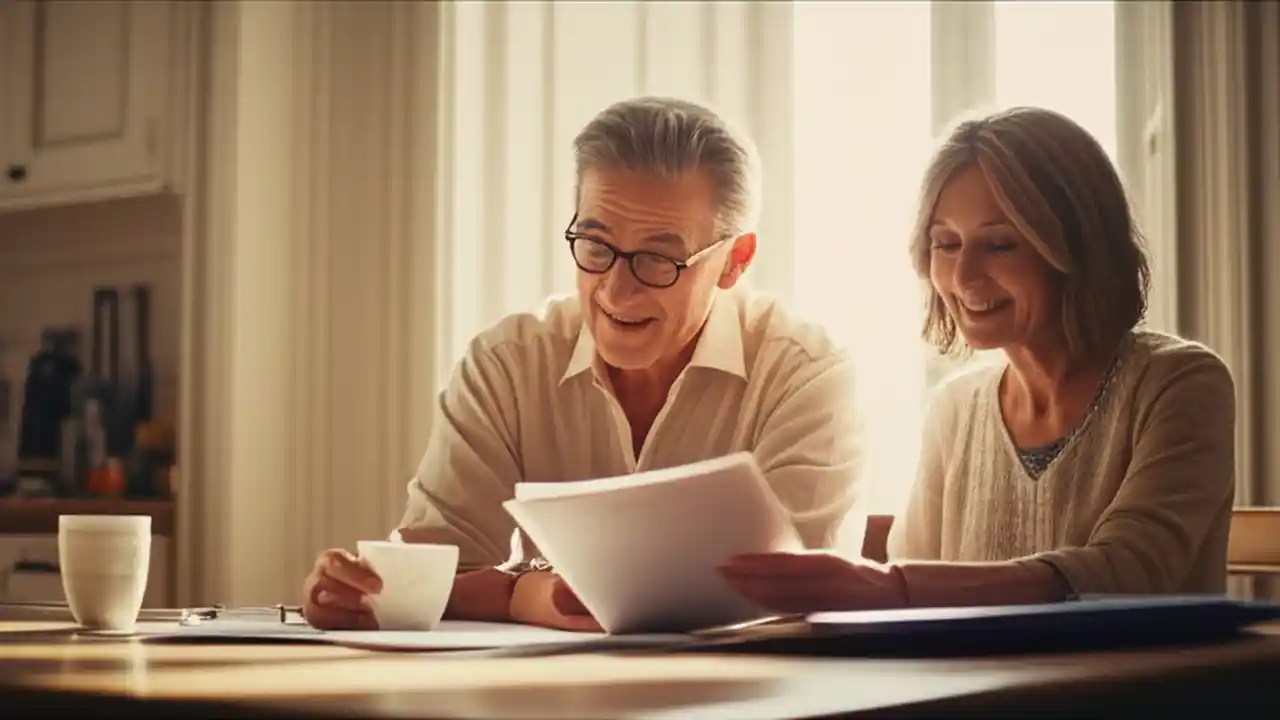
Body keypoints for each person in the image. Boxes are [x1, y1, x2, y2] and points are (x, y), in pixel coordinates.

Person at [304, 97, 865, 630]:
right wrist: (361, 594)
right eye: (596, 247)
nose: (616, 292)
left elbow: (792, 594)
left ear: (734, 262)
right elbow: (428, 576)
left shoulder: (806, 376)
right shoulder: (508, 366)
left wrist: (516, 592)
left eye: (658, 259)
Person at [720, 106, 1235, 612]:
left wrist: (890, 586)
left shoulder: (1181, 383)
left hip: (1138, 695)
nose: (963, 277)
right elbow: (914, 599)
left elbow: (1131, 572)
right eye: (945, 243)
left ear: (1076, 246)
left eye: (1000, 244)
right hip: (977, 698)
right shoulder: (955, 408)